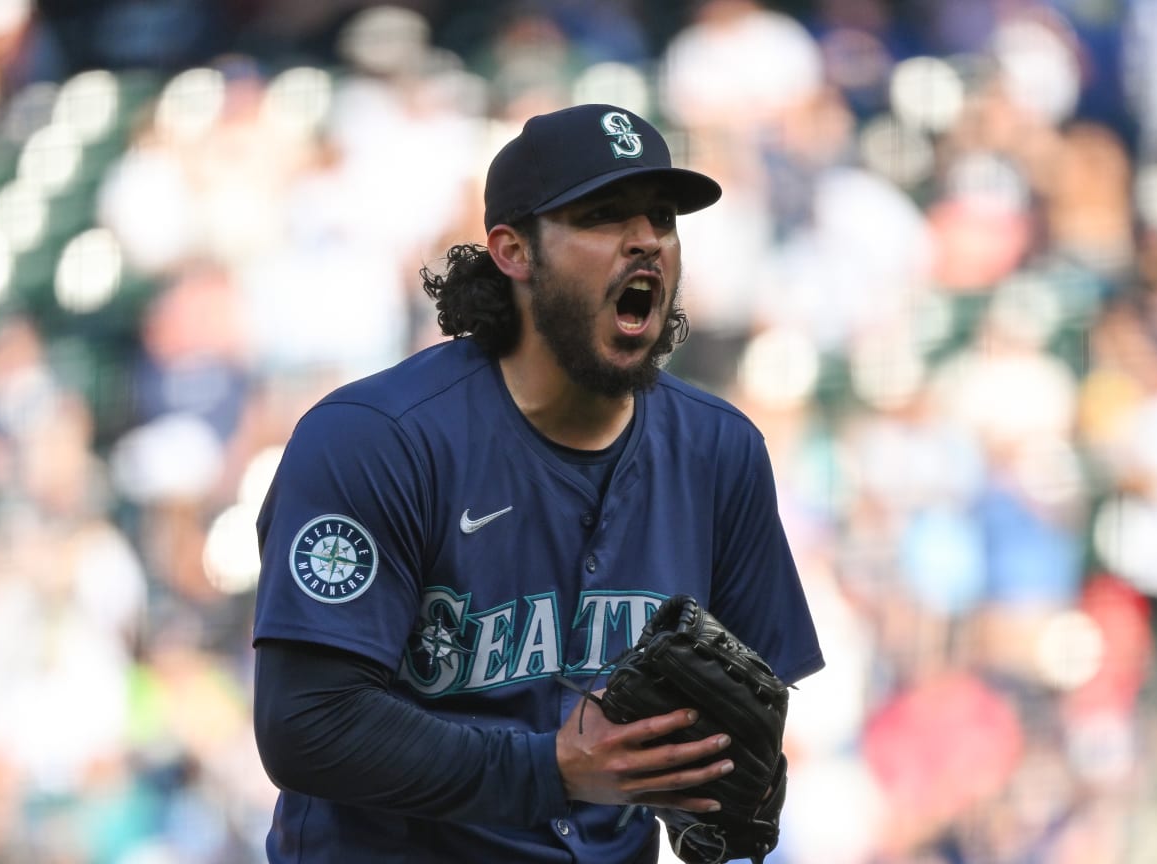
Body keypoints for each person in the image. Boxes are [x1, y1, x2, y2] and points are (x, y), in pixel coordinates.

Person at [250, 102, 825, 863]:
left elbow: (748, 707)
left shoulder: (720, 452)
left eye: (662, 217)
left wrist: (715, 796)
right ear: (513, 251)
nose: (646, 239)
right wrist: (551, 771)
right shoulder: (375, 441)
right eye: (603, 215)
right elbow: (309, 727)